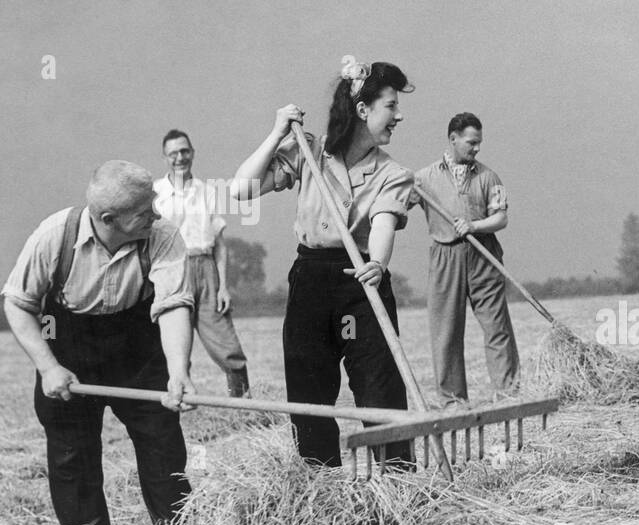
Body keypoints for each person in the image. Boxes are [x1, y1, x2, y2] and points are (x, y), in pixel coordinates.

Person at [2, 161, 196, 525]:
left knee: (162, 443)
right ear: (109, 218)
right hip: (70, 347)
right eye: (144, 211)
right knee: (72, 453)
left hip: (137, 347)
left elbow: (174, 305)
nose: (156, 214)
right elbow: (18, 304)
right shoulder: (54, 235)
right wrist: (49, 367)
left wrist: (178, 373)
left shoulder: (162, 236)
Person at [231, 58, 416, 468]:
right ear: (363, 109)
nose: (399, 116)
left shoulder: (394, 174)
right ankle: (319, 487)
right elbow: (240, 190)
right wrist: (277, 132)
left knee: (380, 388)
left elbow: (383, 224)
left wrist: (379, 264)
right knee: (309, 390)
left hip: (363, 280)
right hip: (311, 279)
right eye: (391, 105)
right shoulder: (308, 151)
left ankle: (400, 486)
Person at [408, 113, 518, 405]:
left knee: (497, 327)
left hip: (484, 253)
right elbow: (397, 207)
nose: (476, 149)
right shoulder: (423, 178)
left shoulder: (489, 176)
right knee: (446, 331)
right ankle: (452, 401)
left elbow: (501, 217)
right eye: (472, 143)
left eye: (479, 143)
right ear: (453, 139)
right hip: (445, 256)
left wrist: (475, 226)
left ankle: (507, 394)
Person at [155, 129, 252, 397]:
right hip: (172, 270)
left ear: (193, 153)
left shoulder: (207, 192)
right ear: (165, 158)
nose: (180, 158)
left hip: (206, 268)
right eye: (173, 153)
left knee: (225, 341)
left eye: (184, 151)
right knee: (175, 342)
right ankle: (175, 402)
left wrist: (223, 286)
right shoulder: (155, 193)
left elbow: (220, 243)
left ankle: (241, 403)